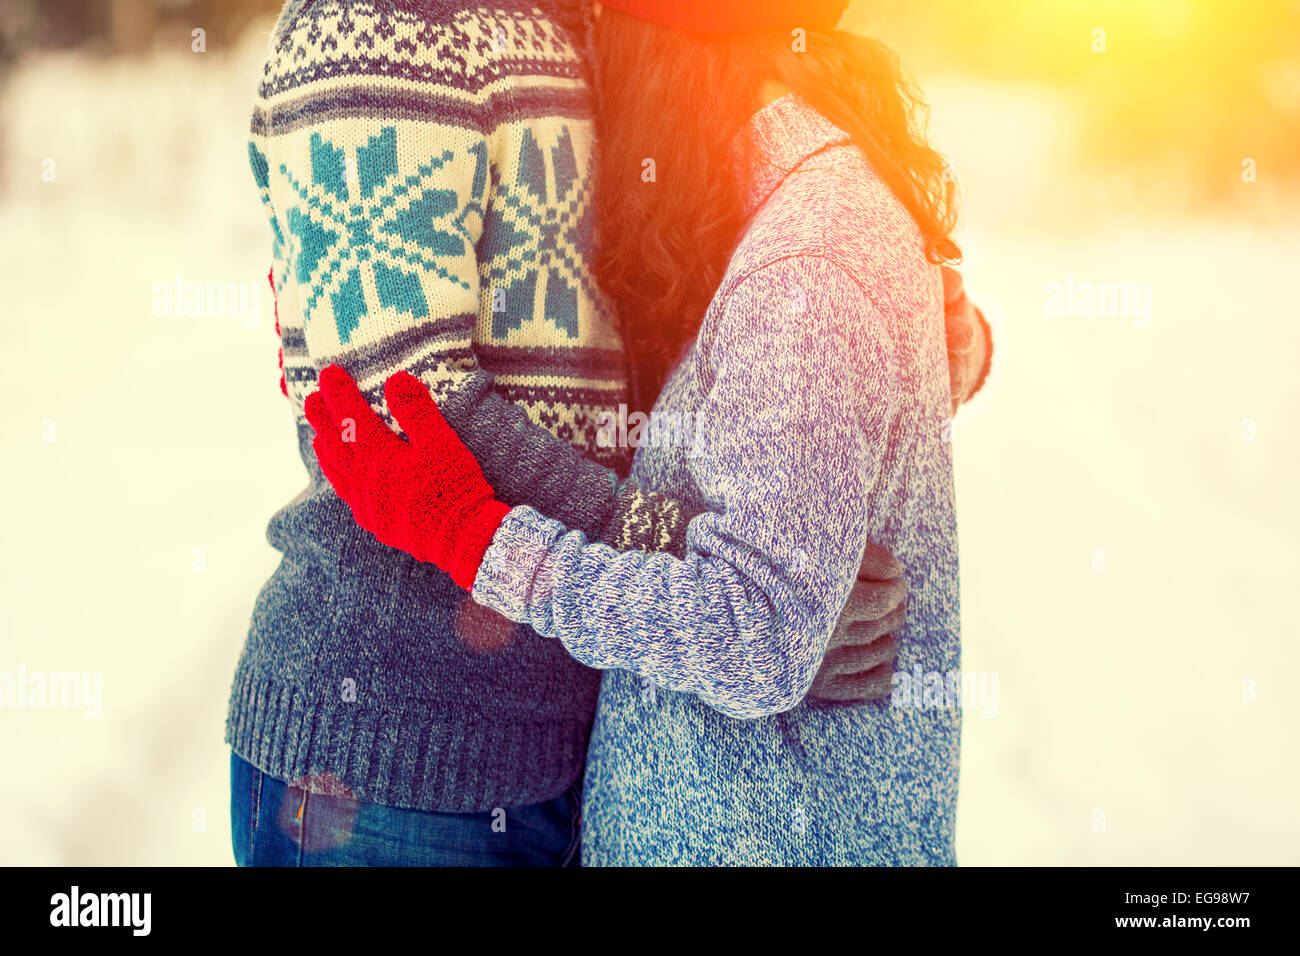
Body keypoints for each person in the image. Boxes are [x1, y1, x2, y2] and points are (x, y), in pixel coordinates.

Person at [302, 0, 984, 864]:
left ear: (660, 65)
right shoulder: (800, 223)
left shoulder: (809, 258)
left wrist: (478, 538)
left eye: (604, 63)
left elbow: (755, 633)